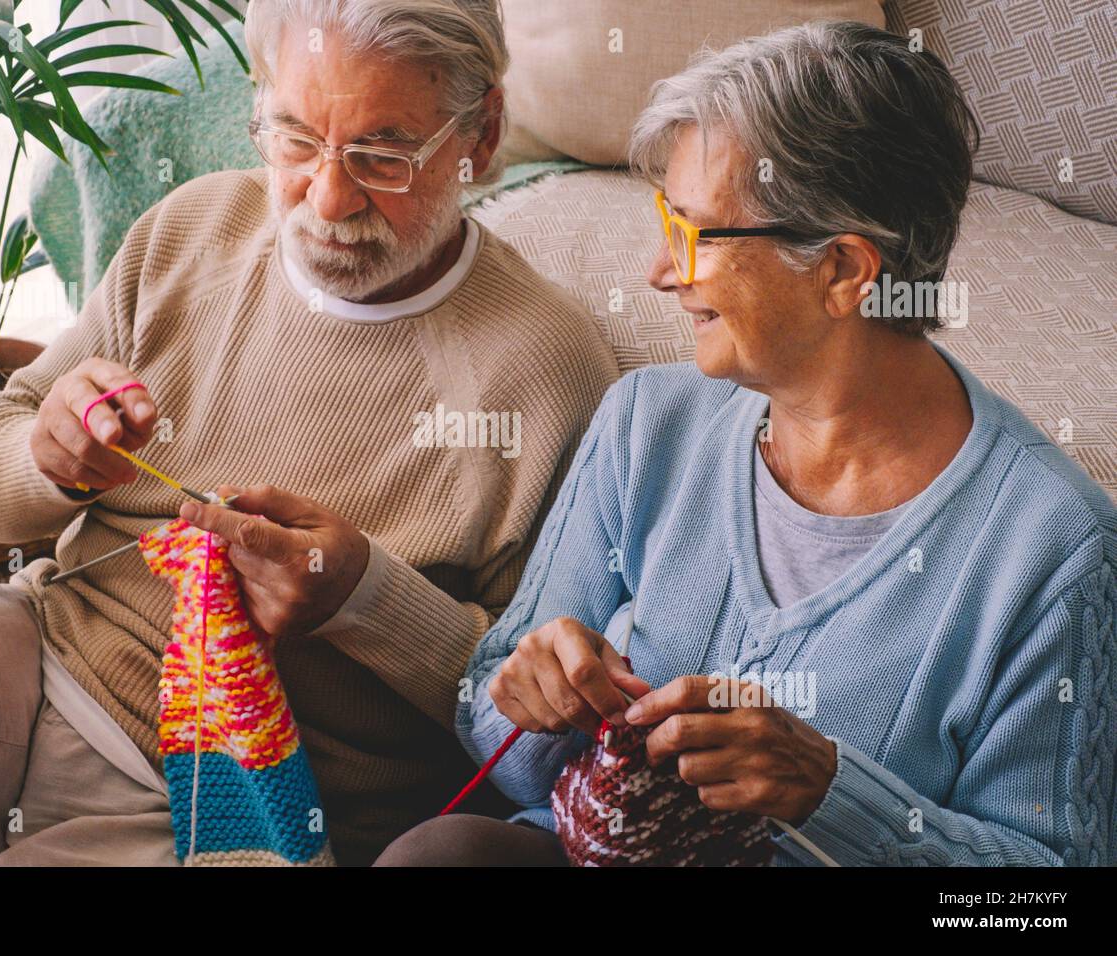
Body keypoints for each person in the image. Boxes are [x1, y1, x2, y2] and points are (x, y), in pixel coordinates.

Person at [0, 0, 617, 866]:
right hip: (31, 661)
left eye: (384, 154)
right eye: (297, 140)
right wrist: (49, 460)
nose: (330, 196)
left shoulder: (553, 375)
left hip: (246, 800)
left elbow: (540, 732)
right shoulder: (196, 225)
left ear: (481, 133)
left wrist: (365, 600)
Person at [378, 20, 1117, 866]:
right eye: (666, 219)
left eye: (694, 233)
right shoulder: (646, 424)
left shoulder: (1055, 553)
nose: (661, 269)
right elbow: (498, 742)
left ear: (843, 270)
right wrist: (525, 692)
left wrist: (829, 792)